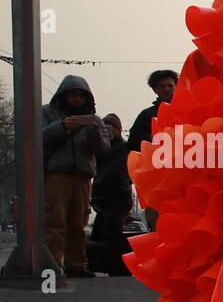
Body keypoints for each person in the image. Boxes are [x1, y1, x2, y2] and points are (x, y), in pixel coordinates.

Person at [41, 75, 110, 277]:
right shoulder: (47, 113)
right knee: (55, 222)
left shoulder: (94, 119)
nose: (77, 99)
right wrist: (63, 126)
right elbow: (39, 137)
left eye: (81, 96)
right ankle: (52, 266)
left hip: (82, 177)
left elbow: (103, 149)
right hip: (56, 175)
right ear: (64, 95)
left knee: (78, 224)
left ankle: (76, 265)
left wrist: (94, 133)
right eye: (73, 95)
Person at [127, 69, 178, 232]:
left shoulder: (185, 110)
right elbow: (133, 143)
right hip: (156, 180)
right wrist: (152, 140)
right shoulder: (146, 115)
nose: (167, 89)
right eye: (162, 86)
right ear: (155, 89)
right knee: (158, 224)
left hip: (182, 177)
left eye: (171, 85)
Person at [90, 113, 133, 275]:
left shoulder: (124, 147)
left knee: (112, 232)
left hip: (118, 196)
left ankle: (120, 268)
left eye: (112, 127)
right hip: (105, 197)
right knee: (103, 233)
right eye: (105, 127)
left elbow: (120, 172)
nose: (108, 130)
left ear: (118, 130)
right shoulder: (100, 149)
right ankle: (108, 266)